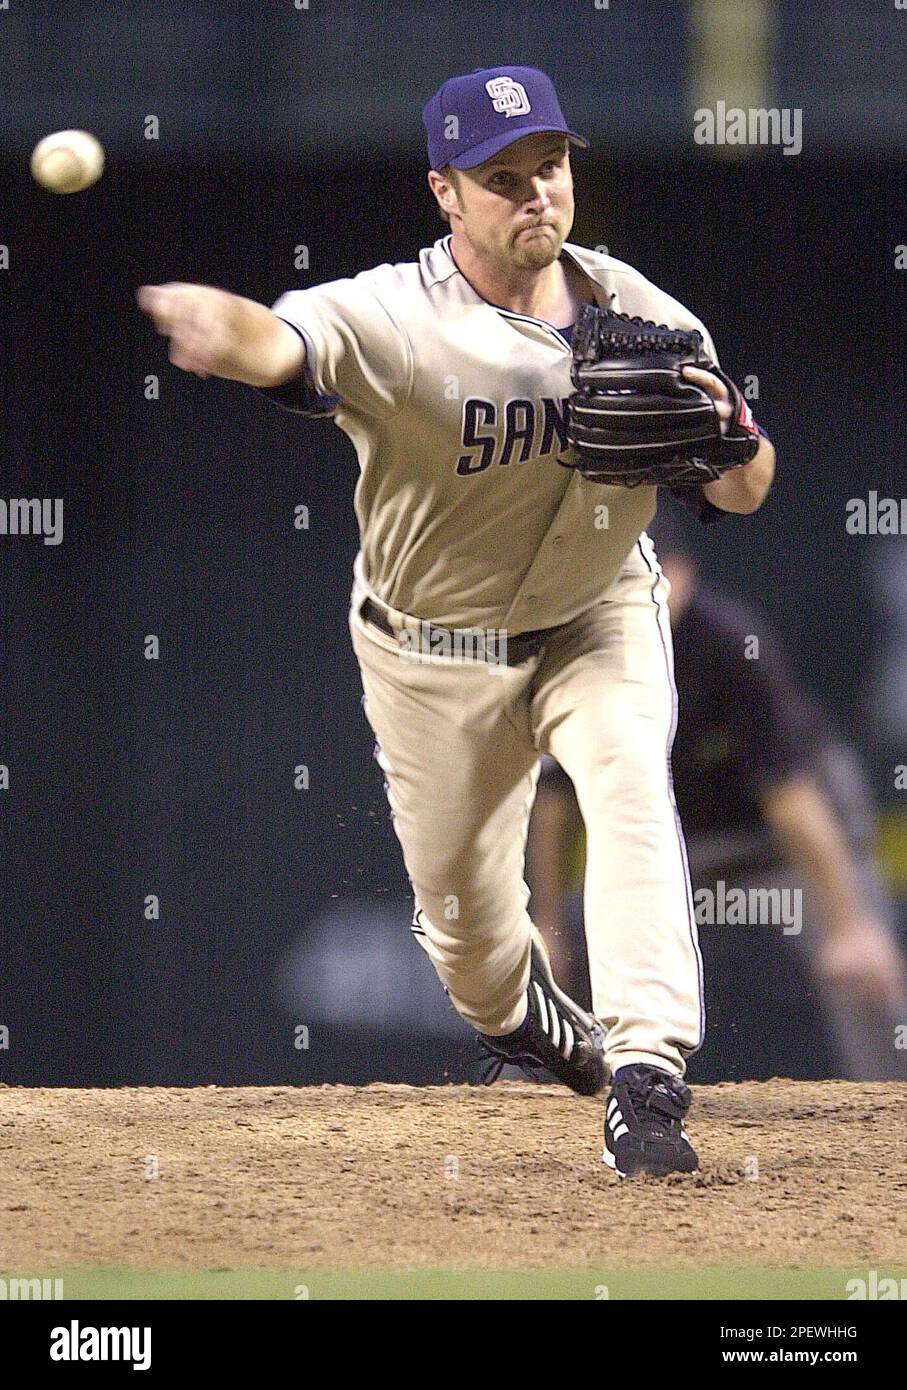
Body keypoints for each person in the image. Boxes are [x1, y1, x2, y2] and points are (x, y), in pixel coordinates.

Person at [137, 65, 775, 1177]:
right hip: (432, 652)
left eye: (551, 167)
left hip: (596, 613)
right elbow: (286, 343)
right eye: (502, 178)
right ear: (445, 191)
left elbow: (746, 489)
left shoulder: (646, 314)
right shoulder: (396, 318)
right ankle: (533, 1017)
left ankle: (645, 1077)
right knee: (472, 950)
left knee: (627, 775)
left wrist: (726, 434)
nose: (536, 194)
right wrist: (223, 330)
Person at [527, 511, 907, 1082]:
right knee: (559, 962)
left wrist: (849, 925)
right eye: (622, 577)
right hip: (674, 845)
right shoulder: (585, 654)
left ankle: (892, 1109)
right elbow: (555, 804)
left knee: (863, 963)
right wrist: (549, 927)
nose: (641, 594)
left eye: (654, 575)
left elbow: (794, 801)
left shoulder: (735, 648)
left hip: (779, 845)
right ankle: (521, 1107)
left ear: (685, 573)